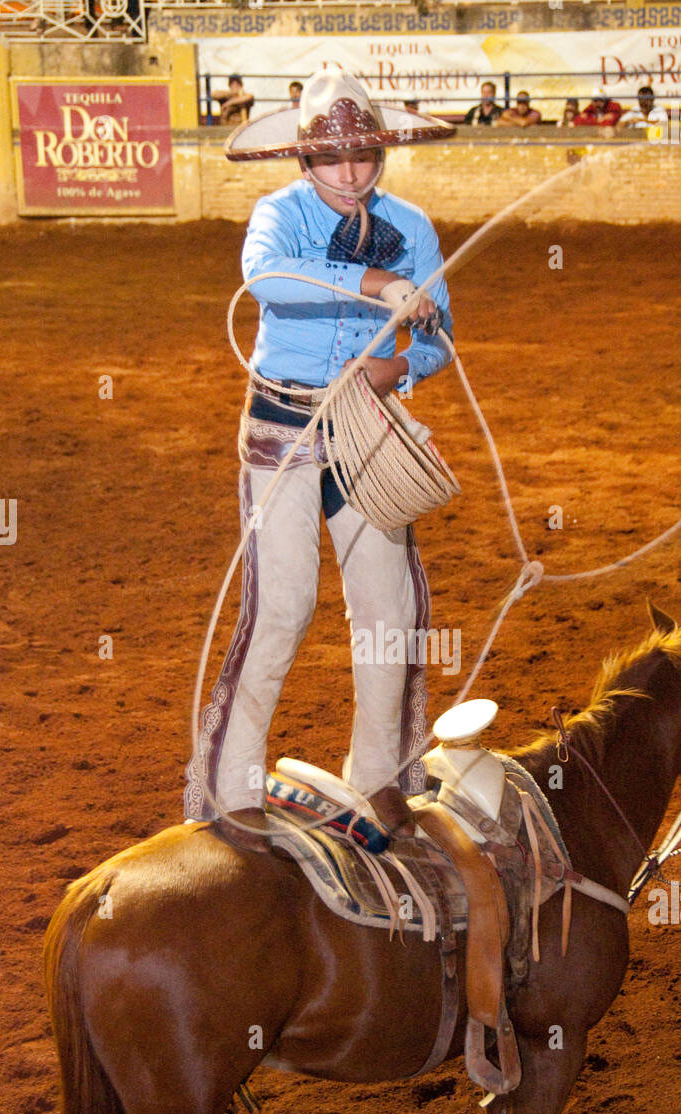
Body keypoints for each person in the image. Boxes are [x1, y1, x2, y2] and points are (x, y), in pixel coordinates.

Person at [185, 68, 454, 832]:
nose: (350, 175)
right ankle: (231, 788)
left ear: (380, 154)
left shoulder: (415, 224)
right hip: (284, 425)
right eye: (332, 160)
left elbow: (443, 339)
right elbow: (267, 282)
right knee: (283, 607)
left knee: (388, 609)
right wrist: (378, 283)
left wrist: (398, 365)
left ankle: (379, 776)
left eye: (363, 157)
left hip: (368, 428)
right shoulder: (276, 217)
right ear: (304, 161)